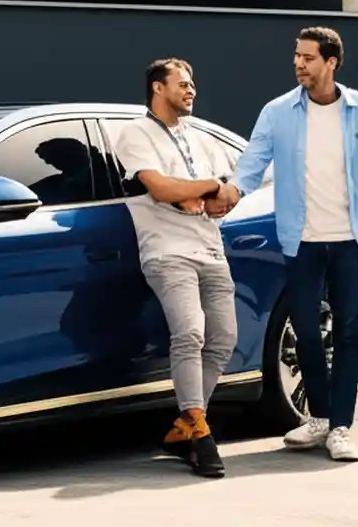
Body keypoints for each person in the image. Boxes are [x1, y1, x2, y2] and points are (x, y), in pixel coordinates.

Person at [213, 26, 358, 462]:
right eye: (296, 56)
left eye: (308, 58)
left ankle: (340, 427)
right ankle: (317, 416)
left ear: (331, 62)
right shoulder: (278, 113)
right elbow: (252, 163)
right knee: (305, 334)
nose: (299, 64)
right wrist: (230, 194)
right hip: (303, 243)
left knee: (352, 335)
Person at [112, 58, 239, 479]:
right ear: (156, 88)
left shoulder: (201, 138)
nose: (192, 91)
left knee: (223, 338)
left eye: (194, 84)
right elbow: (161, 188)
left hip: (210, 247)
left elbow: (228, 189)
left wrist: (214, 192)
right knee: (190, 333)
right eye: (183, 84)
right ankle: (201, 434)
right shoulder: (135, 135)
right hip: (168, 252)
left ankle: (184, 425)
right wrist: (199, 187)